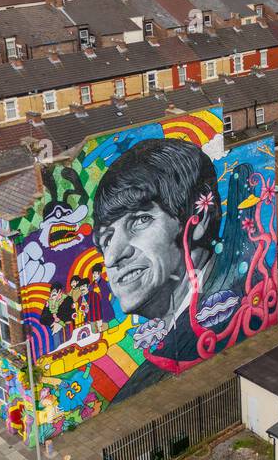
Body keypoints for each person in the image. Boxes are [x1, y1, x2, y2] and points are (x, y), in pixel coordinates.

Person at [93, 137, 223, 398]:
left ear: (198, 219)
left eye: (140, 220)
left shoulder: (235, 302)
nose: (112, 257)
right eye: (107, 238)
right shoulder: (149, 368)